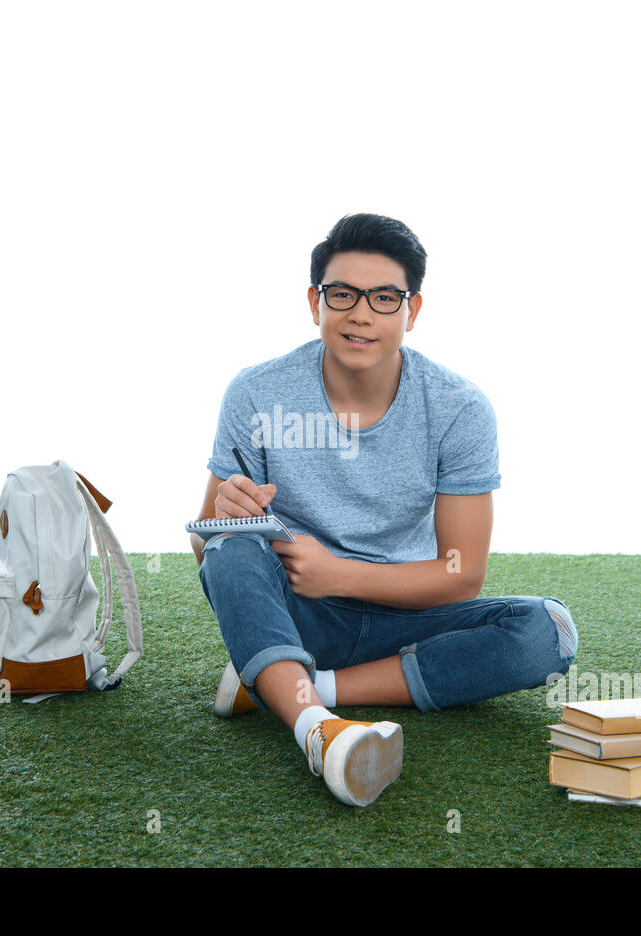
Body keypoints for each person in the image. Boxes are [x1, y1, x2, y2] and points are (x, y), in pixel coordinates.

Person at [190, 213, 578, 807]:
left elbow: (462, 574)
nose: (361, 313)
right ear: (315, 302)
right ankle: (317, 728)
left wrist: (339, 573)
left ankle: (294, 685)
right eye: (342, 294)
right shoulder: (255, 392)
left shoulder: (459, 408)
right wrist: (227, 512)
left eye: (384, 298)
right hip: (298, 610)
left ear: (411, 311)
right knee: (229, 545)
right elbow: (205, 544)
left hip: (406, 615)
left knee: (546, 631)